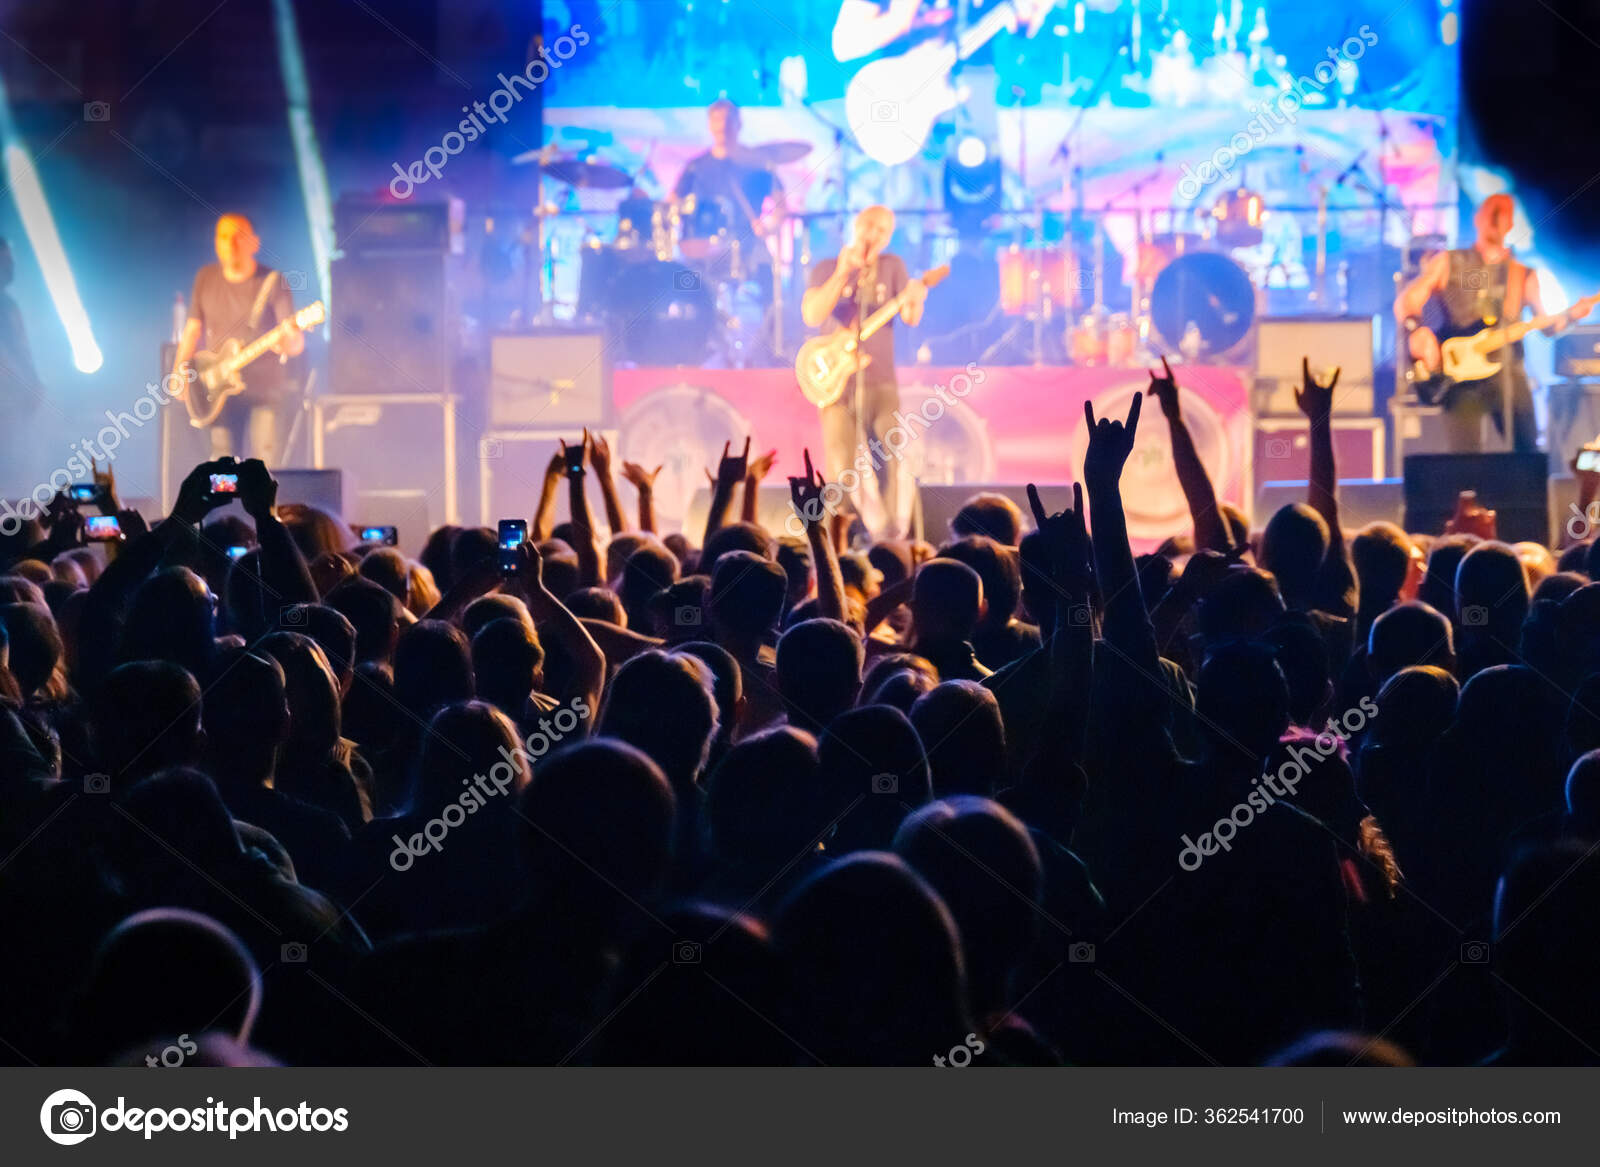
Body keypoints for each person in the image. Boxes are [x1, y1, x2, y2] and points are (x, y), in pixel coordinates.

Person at [1395, 194, 1594, 452]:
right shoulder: (1449, 262)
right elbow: (1408, 300)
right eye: (1491, 211)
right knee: (1464, 459)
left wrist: (1571, 316)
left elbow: (1547, 327)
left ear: (1510, 224)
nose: (1496, 217)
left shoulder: (1521, 274)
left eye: (1503, 213)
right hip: (1458, 374)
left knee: (1527, 454)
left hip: (1507, 375)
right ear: (1478, 218)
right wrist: (1417, 329)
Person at [801, 205, 927, 535]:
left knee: (891, 456)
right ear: (856, 226)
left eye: (883, 230)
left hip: (882, 383)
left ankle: (890, 539)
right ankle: (842, 542)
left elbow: (911, 318)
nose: (875, 234)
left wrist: (917, 298)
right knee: (841, 468)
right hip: (839, 386)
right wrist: (843, 272)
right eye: (870, 225)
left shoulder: (892, 266)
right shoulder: (827, 267)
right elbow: (812, 315)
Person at [172, 214, 305, 463]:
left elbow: (295, 341)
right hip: (218, 390)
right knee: (222, 471)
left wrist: (287, 343)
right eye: (224, 237)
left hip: (265, 392)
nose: (230, 243)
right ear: (216, 243)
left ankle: (265, 504)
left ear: (254, 243)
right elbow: (192, 330)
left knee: (265, 469)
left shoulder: (272, 281)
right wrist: (179, 370)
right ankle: (224, 504)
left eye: (238, 237)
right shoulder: (205, 278)